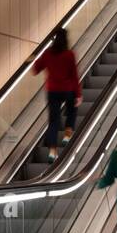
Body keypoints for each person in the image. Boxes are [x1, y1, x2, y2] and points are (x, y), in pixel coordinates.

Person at [30, 27, 82, 162]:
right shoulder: (69, 54)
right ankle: (67, 133)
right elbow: (74, 76)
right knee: (72, 109)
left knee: (53, 121)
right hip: (67, 89)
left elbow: (35, 70)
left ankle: (52, 152)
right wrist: (78, 94)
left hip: (52, 91)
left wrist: (33, 58)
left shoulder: (47, 53)